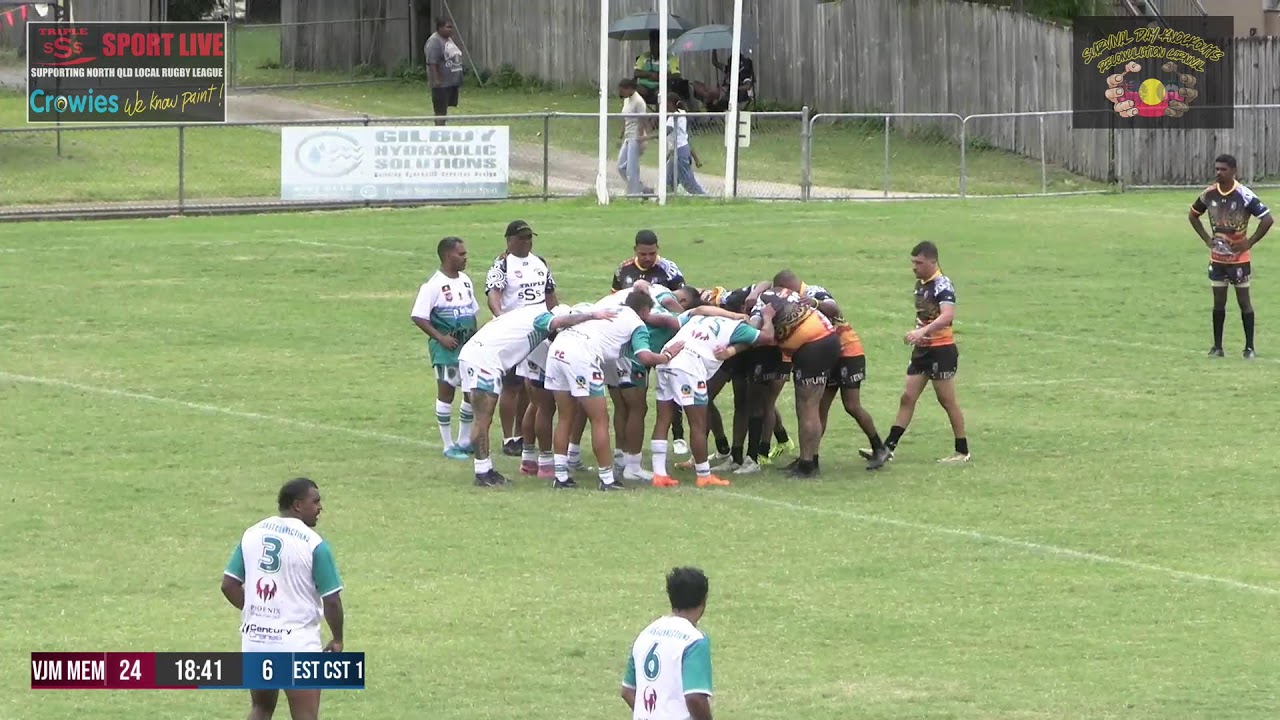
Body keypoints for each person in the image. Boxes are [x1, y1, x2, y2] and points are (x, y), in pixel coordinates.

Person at [221, 477, 343, 720]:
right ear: (297, 506)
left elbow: (229, 585)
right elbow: (331, 601)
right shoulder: (314, 545)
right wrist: (338, 638)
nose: (320, 508)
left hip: (256, 639)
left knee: (261, 709)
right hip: (296, 643)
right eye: (316, 502)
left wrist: (257, 610)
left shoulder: (252, 533)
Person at [459, 304, 615, 487]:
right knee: (483, 419)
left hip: (474, 356)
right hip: (484, 362)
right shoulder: (541, 318)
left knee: (483, 419)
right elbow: (557, 321)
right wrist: (592, 315)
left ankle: (484, 470)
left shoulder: (525, 313)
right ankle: (483, 473)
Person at [545, 290, 685, 491]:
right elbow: (644, 357)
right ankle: (607, 479)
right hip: (582, 356)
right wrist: (667, 355)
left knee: (565, 417)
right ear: (645, 310)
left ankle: (560, 475)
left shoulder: (606, 307)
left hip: (557, 351)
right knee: (599, 419)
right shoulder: (637, 323)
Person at [771, 270, 890, 471]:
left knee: (851, 405)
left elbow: (834, 309)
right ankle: (809, 458)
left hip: (847, 351)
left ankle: (879, 447)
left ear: (788, 286)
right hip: (828, 355)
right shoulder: (795, 297)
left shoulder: (813, 291)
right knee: (818, 409)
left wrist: (814, 303)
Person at [651, 302, 775, 489]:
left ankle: (659, 474)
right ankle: (703, 475)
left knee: (663, 419)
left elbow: (700, 308)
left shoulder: (704, 316)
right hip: (689, 367)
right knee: (698, 423)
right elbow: (766, 337)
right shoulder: (740, 328)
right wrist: (768, 317)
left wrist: (733, 318)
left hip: (666, 359)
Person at [871, 241, 969, 464]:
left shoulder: (942, 285)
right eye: (913, 262)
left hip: (941, 350)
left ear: (932, 261)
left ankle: (962, 450)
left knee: (947, 400)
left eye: (919, 263)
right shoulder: (921, 284)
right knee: (907, 397)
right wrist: (917, 333)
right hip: (923, 350)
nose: (914, 267)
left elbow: (947, 316)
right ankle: (888, 448)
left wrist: (923, 330)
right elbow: (925, 315)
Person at [485, 220, 559, 459]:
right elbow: (494, 294)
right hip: (513, 330)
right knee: (512, 384)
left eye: (530, 237)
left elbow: (549, 295)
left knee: (531, 382)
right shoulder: (502, 264)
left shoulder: (540, 263)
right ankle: (509, 437)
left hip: (538, 330)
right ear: (509, 240)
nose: (527, 242)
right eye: (522, 238)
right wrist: (500, 318)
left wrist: (555, 319)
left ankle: (523, 433)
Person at [751, 286, 842, 478]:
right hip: (824, 339)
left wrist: (765, 319)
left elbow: (757, 334)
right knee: (806, 407)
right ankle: (807, 459)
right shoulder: (783, 293)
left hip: (814, 345)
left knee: (808, 406)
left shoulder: (759, 305)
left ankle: (808, 464)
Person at [1188, 153, 1273, 358]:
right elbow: (1193, 215)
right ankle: (1217, 347)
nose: (1219, 173)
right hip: (1217, 259)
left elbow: (1267, 219)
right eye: (1216, 169)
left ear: (1234, 171)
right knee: (1218, 303)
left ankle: (1249, 348)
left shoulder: (1244, 195)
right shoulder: (1209, 194)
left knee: (1244, 302)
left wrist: (1249, 242)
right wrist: (1207, 239)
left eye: (1223, 169)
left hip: (1239, 261)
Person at [410, 237, 479, 460]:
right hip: (447, 349)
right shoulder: (433, 285)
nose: (465, 257)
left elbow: (472, 311)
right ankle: (448, 444)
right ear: (448, 256)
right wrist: (440, 338)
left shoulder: (466, 280)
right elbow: (418, 316)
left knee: (470, 392)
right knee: (447, 392)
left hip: (467, 346)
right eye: (461, 254)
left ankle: (464, 440)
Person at [621, 567, 714, 720]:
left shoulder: (646, 634)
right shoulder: (694, 640)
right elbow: (695, 698)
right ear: (703, 602)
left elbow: (627, 691)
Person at [424, 19, 464, 127]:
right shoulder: (434, 41)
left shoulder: (448, 39)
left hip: (450, 81)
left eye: (451, 27)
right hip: (441, 83)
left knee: (445, 108)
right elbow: (432, 62)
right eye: (448, 27)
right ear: (440, 28)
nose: (450, 29)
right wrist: (436, 79)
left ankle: (443, 127)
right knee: (440, 110)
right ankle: (439, 130)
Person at [617, 78, 652, 197]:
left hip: (635, 137)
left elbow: (643, 121)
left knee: (632, 169)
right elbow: (625, 118)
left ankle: (634, 195)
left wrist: (640, 138)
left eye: (623, 90)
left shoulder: (639, 101)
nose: (621, 93)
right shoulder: (627, 100)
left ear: (630, 89)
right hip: (627, 137)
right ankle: (643, 189)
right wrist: (620, 135)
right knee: (621, 167)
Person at [665, 96, 705, 196]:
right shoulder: (682, 114)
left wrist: (645, 137)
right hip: (678, 151)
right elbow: (685, 139)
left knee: (688, 182)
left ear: (670, 103)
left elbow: (666, 131)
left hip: (680, 153)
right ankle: (667, 200)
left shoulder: (674, 117)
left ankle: (704, 198)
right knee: (669, 181)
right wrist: (696, 159)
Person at [633, 30, 685, 106]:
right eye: (652, 43)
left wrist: (660, 76)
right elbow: (636, 72)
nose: (654, 46)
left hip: (662, 86)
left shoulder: (671, 58)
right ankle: (637, 116)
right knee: (635, 92)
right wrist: (651, 74)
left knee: (660, 93)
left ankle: (659, 116)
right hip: (645, 86)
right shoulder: (644, 56)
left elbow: (676, 75)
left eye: (656, 43)